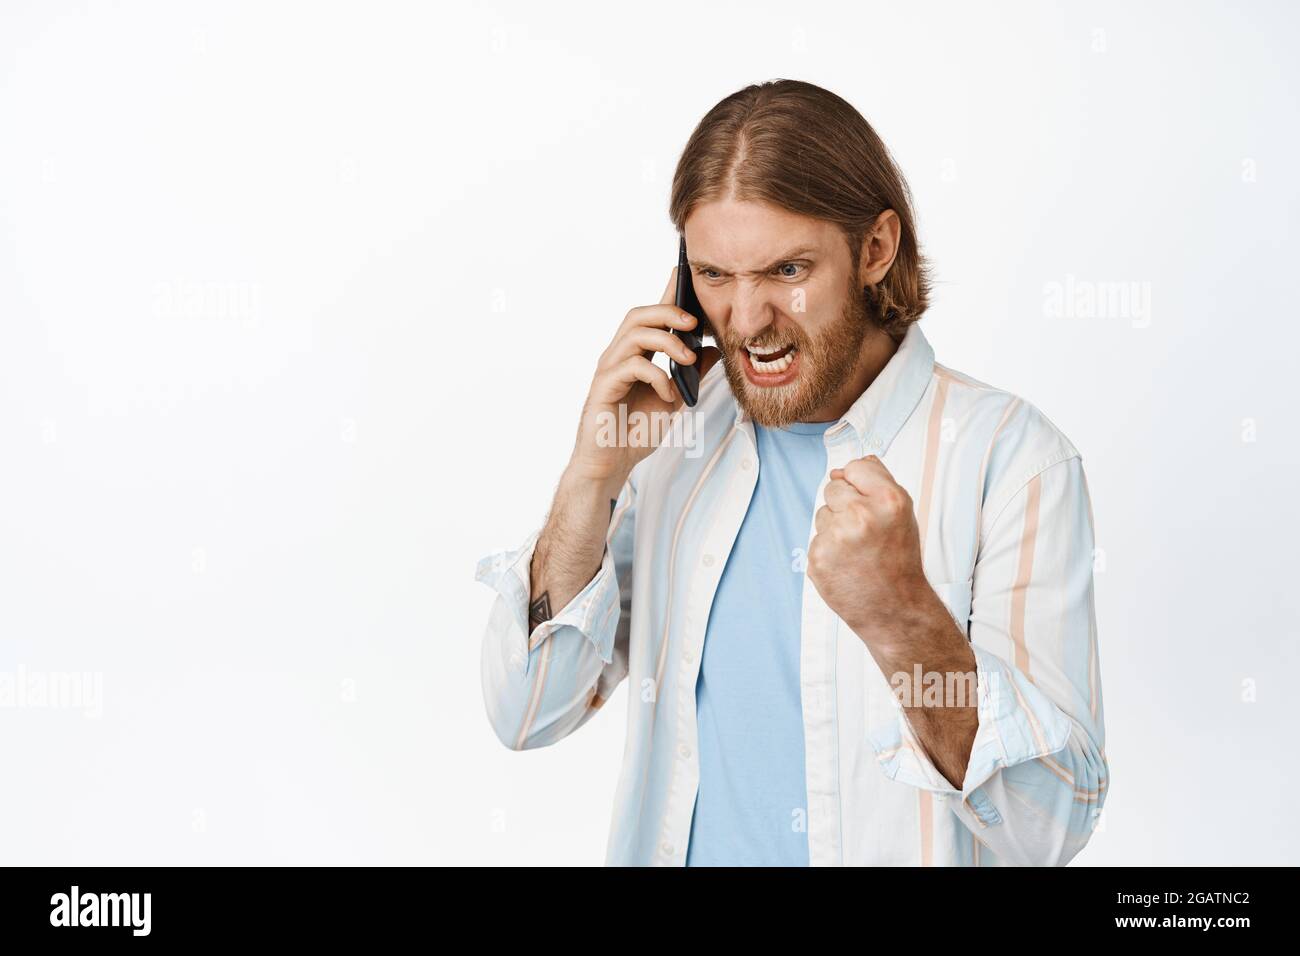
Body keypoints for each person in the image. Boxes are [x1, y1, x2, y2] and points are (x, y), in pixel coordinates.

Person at [475, 79, 1108, 866]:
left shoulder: (1014, 461)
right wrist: (593, 473)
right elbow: (528, 711)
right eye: (713, 276)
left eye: (786, 271)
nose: (745, 320)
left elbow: (1047, 829)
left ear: (875, 250)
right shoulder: (669, 438)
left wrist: (903, 616)